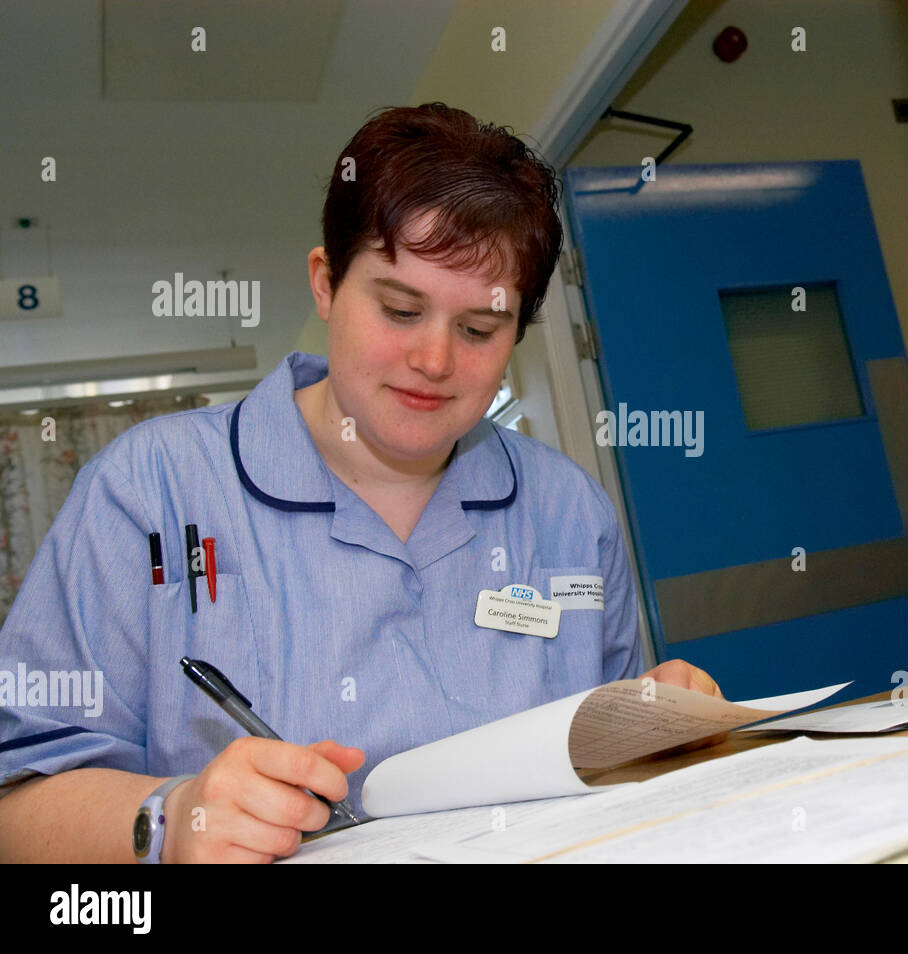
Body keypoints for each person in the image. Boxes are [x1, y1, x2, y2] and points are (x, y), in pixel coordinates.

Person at [0, 102, 723, 863]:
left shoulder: (568, 511)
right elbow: (16, 805)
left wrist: (656, 732)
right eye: (400, 308)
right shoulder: (151, 491)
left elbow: (598, 764)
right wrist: (174, 819)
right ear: (325, 282)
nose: (435, 360)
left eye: (479, 329)